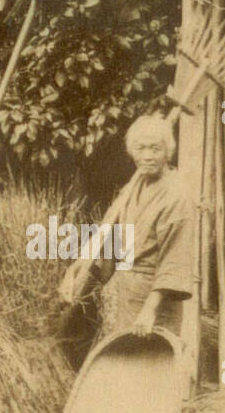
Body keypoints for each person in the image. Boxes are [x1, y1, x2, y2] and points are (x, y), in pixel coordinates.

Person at [59, 114, 194, 338]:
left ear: (168, 152)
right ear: (132, 151)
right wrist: (75, 273)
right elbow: (109, 238)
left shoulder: (177, 195)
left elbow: (175, 261)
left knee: (151, 366)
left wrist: (149, 310)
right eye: (140, 148)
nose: (147, 156)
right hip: (124, 295)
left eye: (155, 149)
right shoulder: (133, 188)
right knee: (121, 363)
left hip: (155, 302)